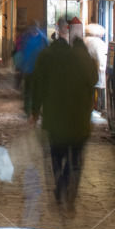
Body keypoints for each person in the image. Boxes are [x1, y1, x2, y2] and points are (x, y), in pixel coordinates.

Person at [25, 18, 97, 211]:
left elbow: (37, 85)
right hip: (79, 120)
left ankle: (60, 186)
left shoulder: (46, 56)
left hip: (54, 118)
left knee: (57, 155)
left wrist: (35, 111)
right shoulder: (82, 58)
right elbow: (93, 80)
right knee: (75, 159)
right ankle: (67, 188)